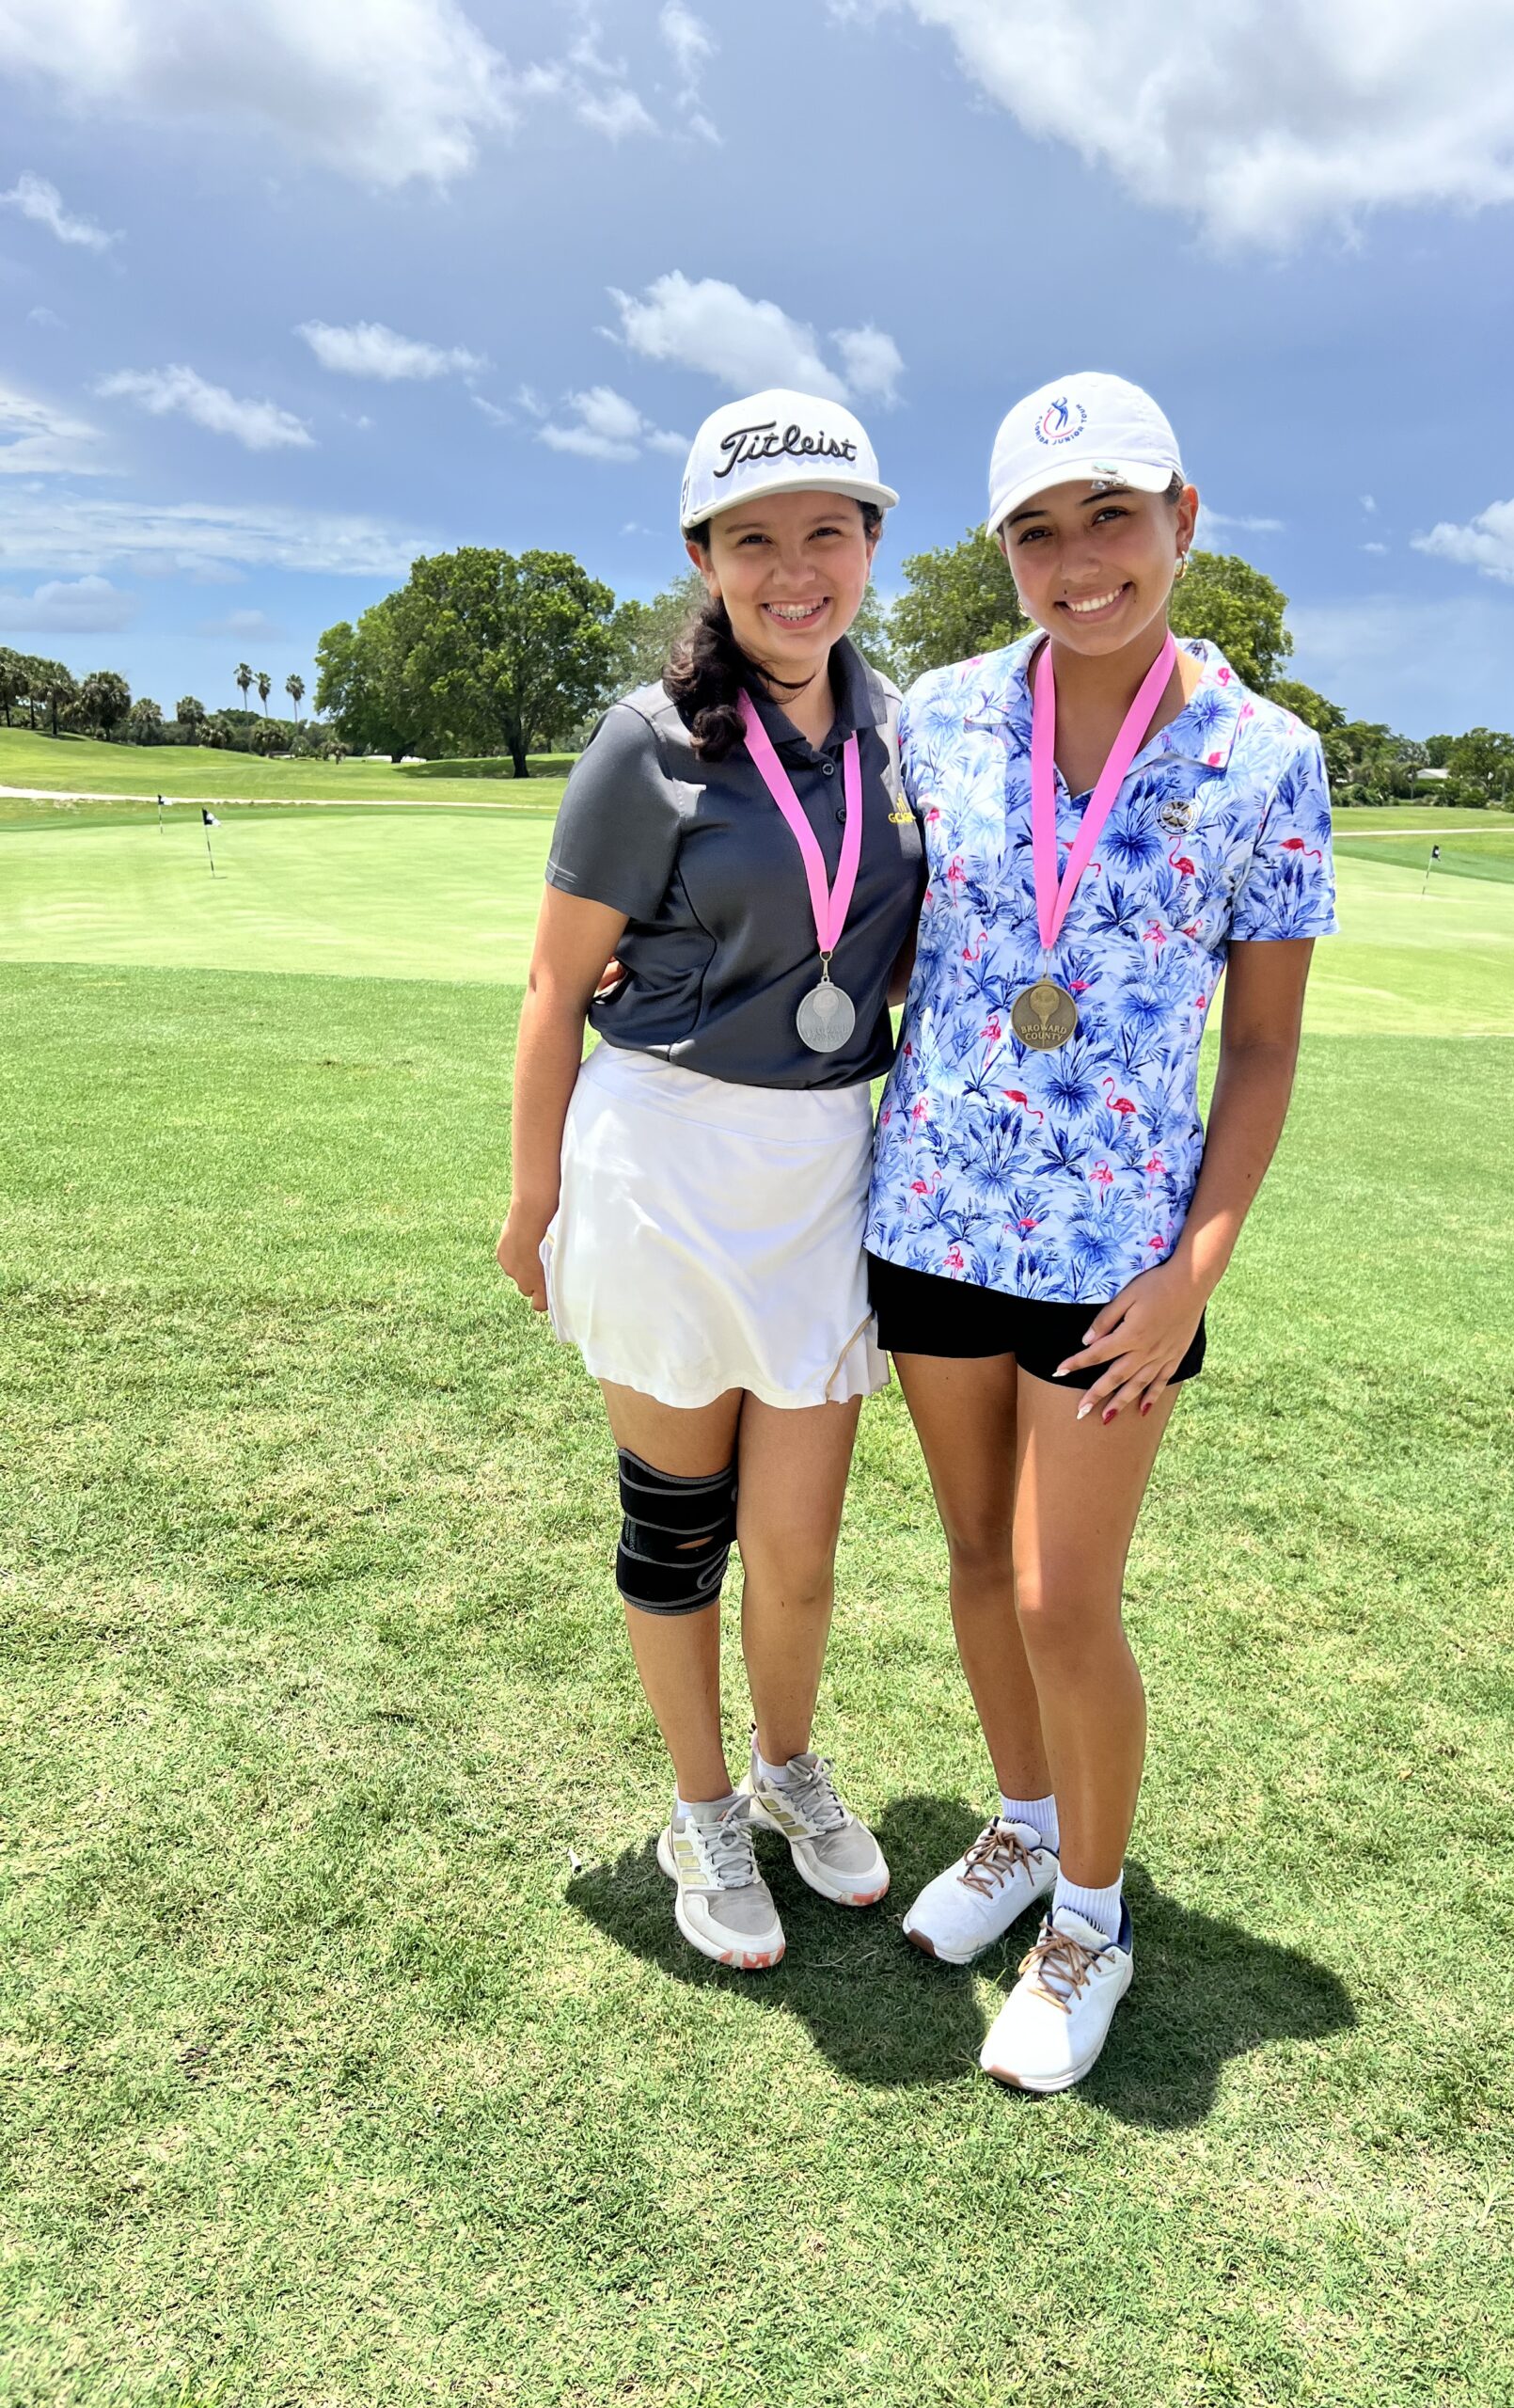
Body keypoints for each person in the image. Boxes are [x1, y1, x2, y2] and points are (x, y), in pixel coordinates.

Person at [865, 372, 1336, 2090]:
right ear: (1002, 550)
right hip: (932, 1212)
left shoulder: (1267, 758)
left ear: (1182, 520)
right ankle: (1022, 1822)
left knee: (1066, 1597)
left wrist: (1194, 1273)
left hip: (1118, 1264)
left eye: (1113, 517)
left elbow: (1263, 1048)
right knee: (972, 1558)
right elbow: (865, 921)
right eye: (1039, 531)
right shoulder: (939, 717)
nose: (1079, 563)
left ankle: (1090, 1920)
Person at [498, 388, 924, 1972]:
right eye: (755, 541)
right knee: (681, 1528)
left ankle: (786, 1769)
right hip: (665, 1155)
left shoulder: (906, 731)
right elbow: (557, 986)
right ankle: (701, 1811)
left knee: (799, 1547)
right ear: (704, 556)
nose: (793, 571)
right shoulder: (646, 740)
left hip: (824, 1165)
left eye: (827, 533)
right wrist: (532, 1200)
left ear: (871, 546)